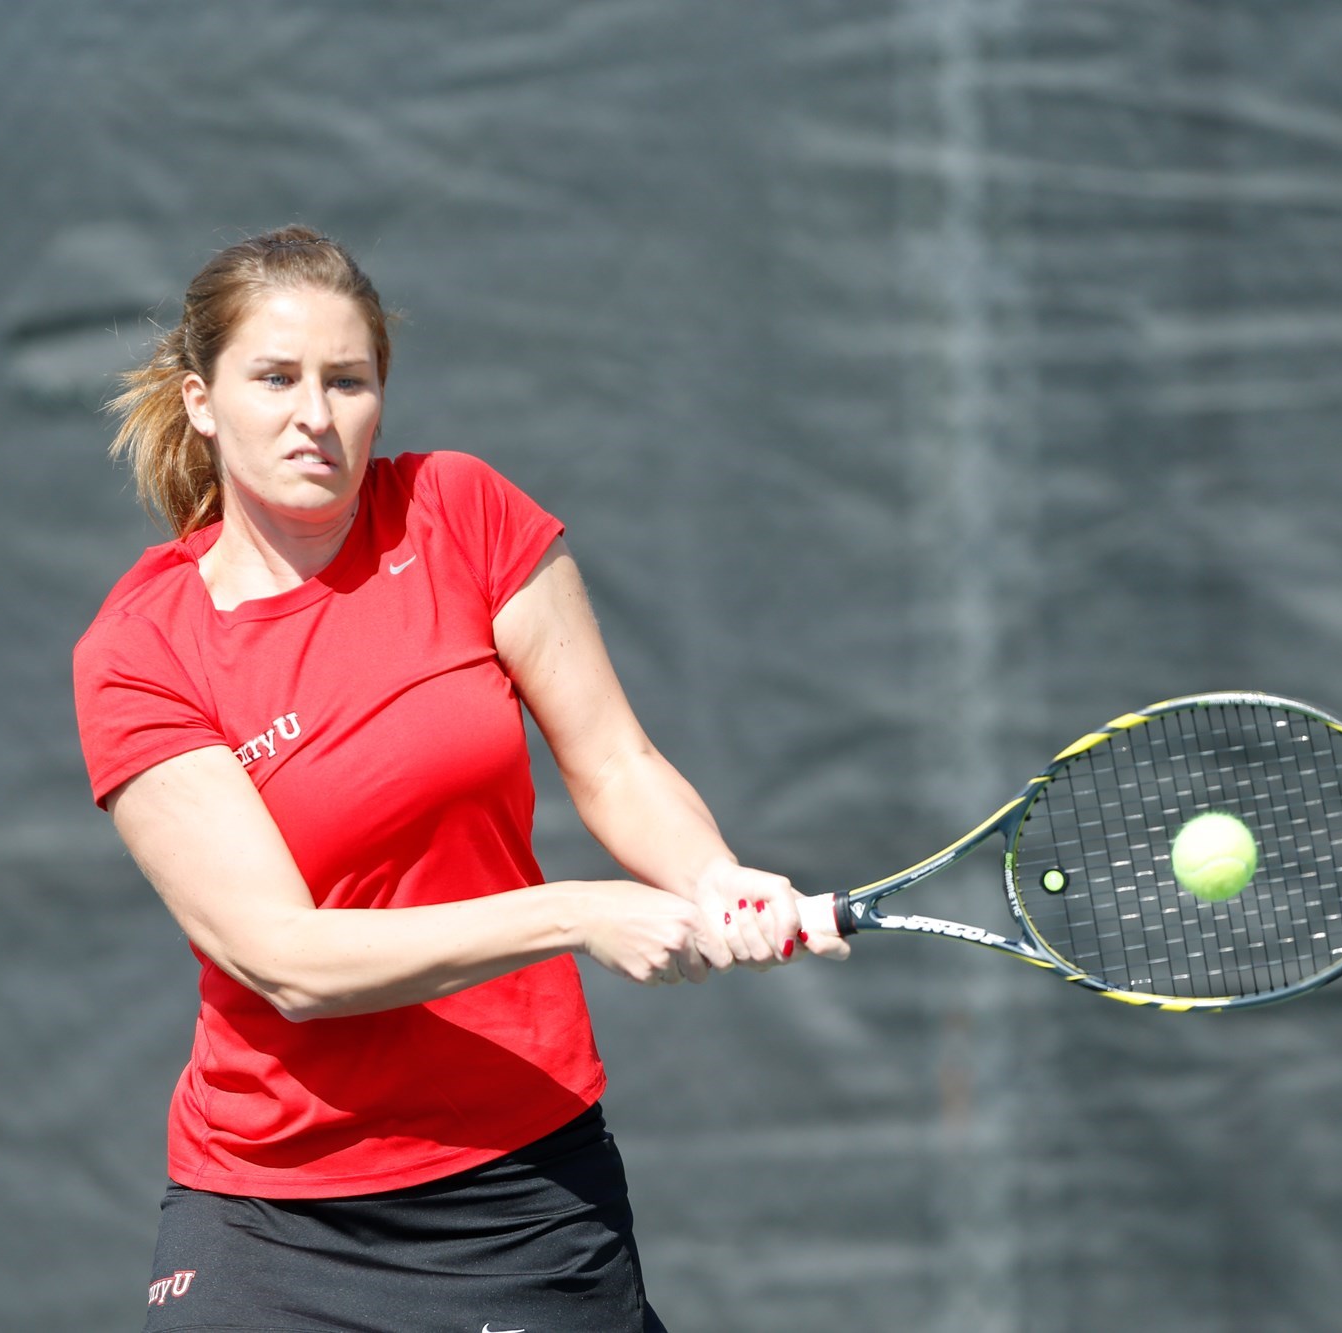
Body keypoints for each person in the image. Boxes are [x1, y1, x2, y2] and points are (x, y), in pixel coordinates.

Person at [72, 224, 848, 1332]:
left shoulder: (460, 512)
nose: (314, 414)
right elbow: (282, 959)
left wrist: (715, 877)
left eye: (348, 380)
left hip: (516, 1194)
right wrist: (578, 909)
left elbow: (617, 762)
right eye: (275, 377)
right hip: (265, 1215)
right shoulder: (141, 650)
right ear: (201, 400)